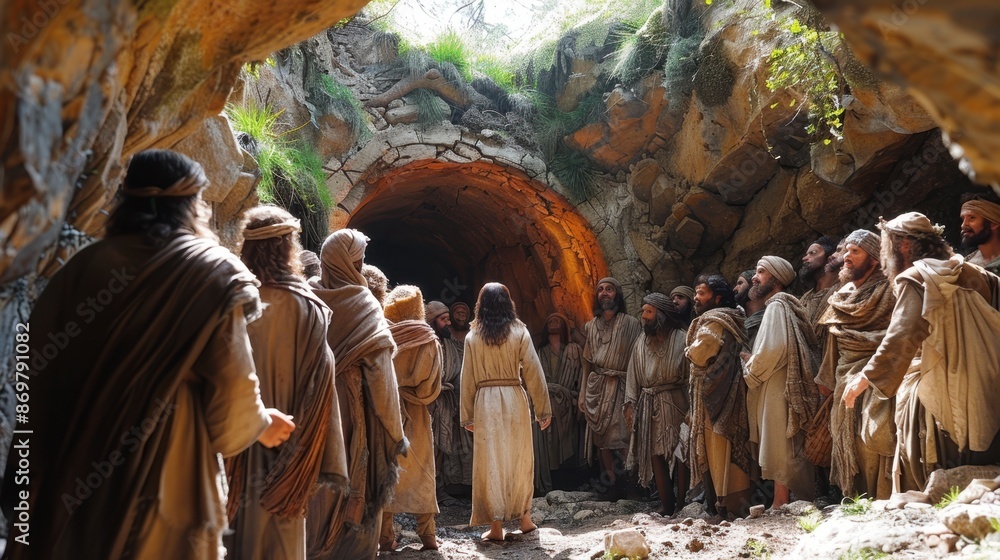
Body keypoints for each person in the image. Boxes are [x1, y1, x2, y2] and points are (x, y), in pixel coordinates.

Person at [0, 150, 294, 560]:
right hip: (161, 480)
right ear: (193, 203)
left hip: (68, 468)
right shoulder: (210, 273)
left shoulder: (81, 268)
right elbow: (232, 402)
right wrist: (262, 425)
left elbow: (32, 373)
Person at [844, 212, 1000, 492]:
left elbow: (901, 336)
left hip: (936, 380)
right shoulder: (978, 274)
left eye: (889, 245)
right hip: (987, 378)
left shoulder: (915, 278)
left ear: (904, 245)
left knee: (927, 448)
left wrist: (864, 379)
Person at [226, 206, 347, 560]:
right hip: (290, 442)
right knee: (280, 535)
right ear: (286, 246)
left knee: (231, 532)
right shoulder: (306, 306)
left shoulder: (228, 299)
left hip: (234, 436)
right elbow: (320, 387)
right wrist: (307, 453)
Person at [307, 229, 407, 560]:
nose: (361, 267)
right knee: (351, 481)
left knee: (314, 483)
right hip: (350, 410)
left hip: (308, 406)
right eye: (359, 261)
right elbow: (381, 375)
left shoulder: (307, 296)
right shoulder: (363, 304)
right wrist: (395, 433)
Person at [461, 283, 552, 541]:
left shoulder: (472, 337)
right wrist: (543, 409)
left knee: (491, 461)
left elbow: (467, 378)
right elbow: (533, 370)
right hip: (514, 398)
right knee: (520, 458)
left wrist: (467, 415)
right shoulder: (520, 332)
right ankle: (525, 519)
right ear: (508, 303)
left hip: (485, 403)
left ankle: (496, 527)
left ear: (481, 305)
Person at [816, 229, 896, 499]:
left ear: (874, 258)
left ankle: (881, 495)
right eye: (846, 251)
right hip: (844, 375)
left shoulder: (890, 289)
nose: (847, 257)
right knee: (846, 435)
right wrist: (826, 380)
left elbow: (898, 337)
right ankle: (853, 495)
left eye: (855, 251)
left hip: (880, 374)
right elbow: (833, 342)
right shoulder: (840, 295)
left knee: (873, 436)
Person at [743, 256, 820, 508]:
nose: (755, 278)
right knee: (780, 441)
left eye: (761, 272)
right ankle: (782, 499)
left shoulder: (777, 306)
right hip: (777, 381)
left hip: (776, 382)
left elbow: (773, 349)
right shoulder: (783, 305)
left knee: (778, 442)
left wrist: (750, 367)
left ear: (775, 279)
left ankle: (782, 500)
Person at [380, 286, 443, 552]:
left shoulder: (380, 334)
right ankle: (428, 535)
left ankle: (385, 538)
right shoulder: (427, 339)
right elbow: (430, 389)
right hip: (416, 414)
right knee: (422, 472)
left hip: (386, 411)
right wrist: (415, 394)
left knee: (386, 471)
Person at [685, 275, 753, 518]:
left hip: (716, 393)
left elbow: (698, 354)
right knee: (727, 444)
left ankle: (727, 506)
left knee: (718, 446)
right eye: (696, 292)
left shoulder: (715, 321)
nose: (696, 298)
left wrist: (688, 350)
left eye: (701, 293)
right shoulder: (733, 317)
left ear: (717, 298)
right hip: (728, 389)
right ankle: (728, 505)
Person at [624, 293, 689, 515]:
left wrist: (692, 408)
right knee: (655, 454)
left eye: (648, 312)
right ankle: (666, 503)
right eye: (643, 311)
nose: (643, 316)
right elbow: (632, 374)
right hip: (648, 402)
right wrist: (630, 402)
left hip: (676, 401)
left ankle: (681, 503)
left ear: (661, 315)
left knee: (681, 452)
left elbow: (691, 376)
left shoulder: (682, 338)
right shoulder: (641, 342)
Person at [578, 277, 643, 496]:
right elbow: (587, 363)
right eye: (600, 290)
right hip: (598, 387)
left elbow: (637, 360)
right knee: (603, 439)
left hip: (623, 384)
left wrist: (635, 392)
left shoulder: (631, 324)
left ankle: (632, 484)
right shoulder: (591, 326)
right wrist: (582, 394)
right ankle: (612, 486)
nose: (604, 293)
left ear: (618, 294)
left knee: (625, 437)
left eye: (609, 289)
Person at [533, 312, 585, 494]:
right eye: (550, 321)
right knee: (550, 443)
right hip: (548, 402)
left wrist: (581, 399)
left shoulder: (574, 350)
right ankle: (554, 480)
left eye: (557, 321)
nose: (553, 322)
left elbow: (583, 374)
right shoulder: (540, 352)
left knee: (571, 440)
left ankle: (572, 480)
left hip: (569, 403)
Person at [426, 301, 474, 491]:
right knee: (429, 444)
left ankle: (439, 488)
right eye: (444, 319)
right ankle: (429, 490)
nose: (449, 323)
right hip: (429, 400)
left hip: (449, 399)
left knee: (443, 444)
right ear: (432, 320)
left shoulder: (448, 344)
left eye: (448, 319)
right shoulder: (426, 342)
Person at [799, 236, 841, 348]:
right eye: (806, 254)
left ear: (830, 257)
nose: (804, 258)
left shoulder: (840, 291)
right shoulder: (806, 297)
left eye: (812, 253)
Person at [960, 193, 1000, 275]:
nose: (963, 225)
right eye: (963, 219)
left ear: (994, 224)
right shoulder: (966, 264)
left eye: (972, 218)